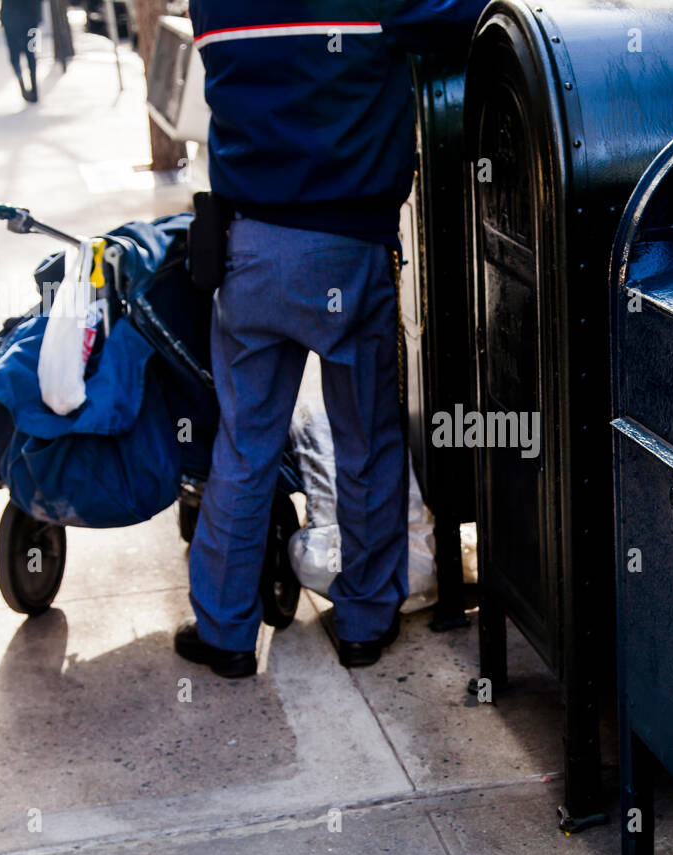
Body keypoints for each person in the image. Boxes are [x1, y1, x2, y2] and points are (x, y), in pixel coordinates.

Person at [177, 0, 485, 677]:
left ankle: (225, 632)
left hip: (248, 248)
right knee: (366, 441)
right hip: (349, 249)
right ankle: (364, 624)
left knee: (245, 444)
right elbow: (470, 14)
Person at [0, 0, 40, 102]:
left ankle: (24, 85)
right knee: (30, 55)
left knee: (16, 56)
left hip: (12, 18)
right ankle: (32, 88)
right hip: (30, 17)